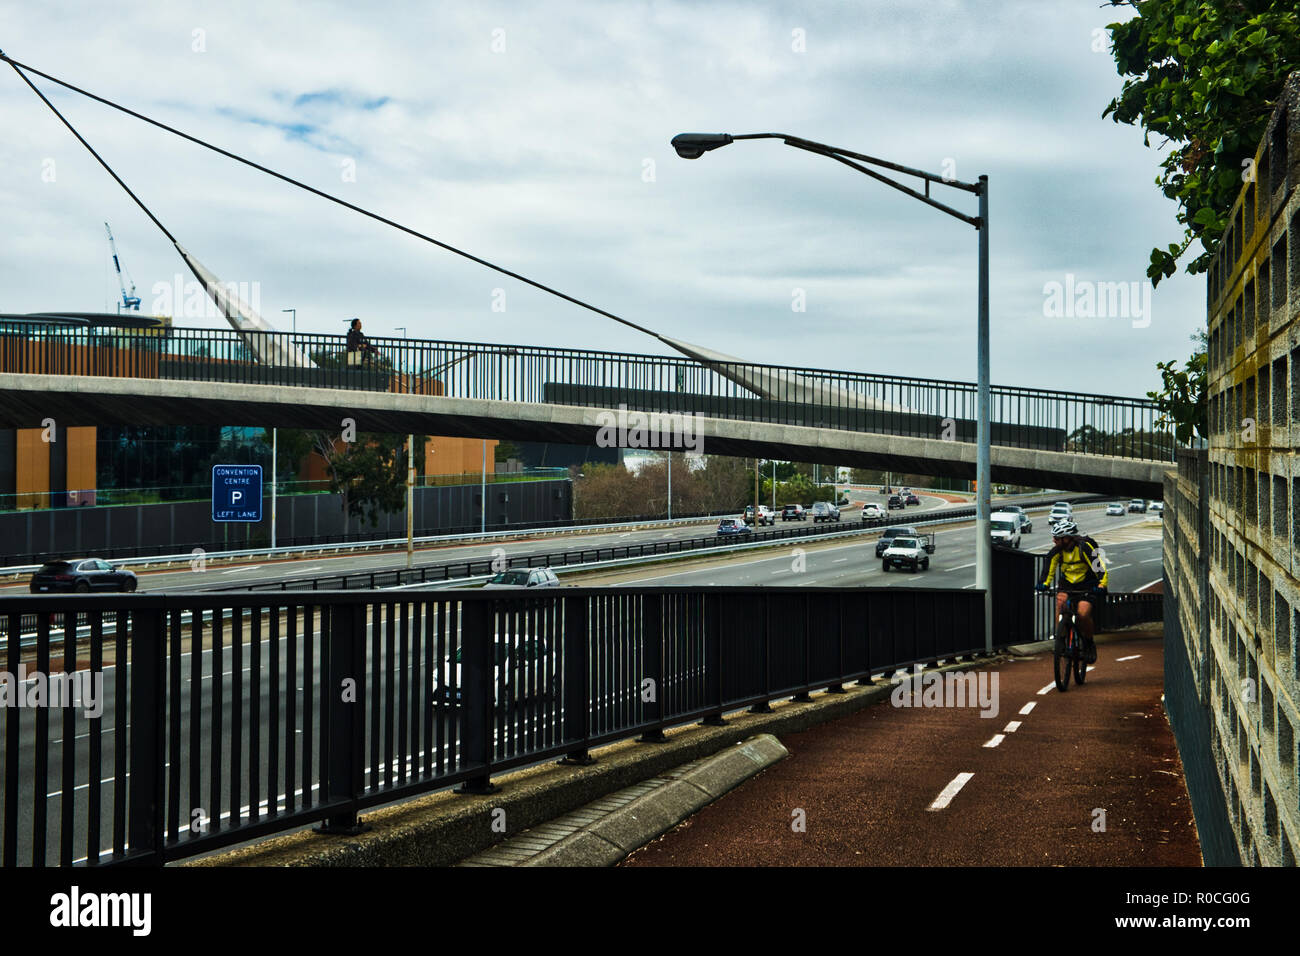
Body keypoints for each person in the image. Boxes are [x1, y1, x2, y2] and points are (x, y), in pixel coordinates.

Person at [1037, 519, 1107, 662]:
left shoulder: (1085, 548)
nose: (1053, 540)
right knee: (1060, 604)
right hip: (1067, 585)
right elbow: (1047, 570)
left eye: (1057, 538)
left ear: (1067, 538)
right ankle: (1060, 641)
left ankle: (1088, 643)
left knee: (1082, 613)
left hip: (1088, 585)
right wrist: (1043, 584)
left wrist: (1101, 585)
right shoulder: (1056, 551)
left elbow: (1100, 569)